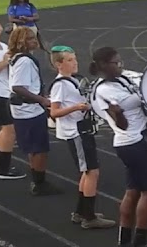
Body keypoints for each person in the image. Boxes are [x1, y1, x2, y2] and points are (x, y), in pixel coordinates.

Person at [90, 47, 147, 247]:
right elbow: (126, 115)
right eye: (116, 63)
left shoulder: (119, 81)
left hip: (134, 143)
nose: (121, 65)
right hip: (135, 143)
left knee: (133, 191)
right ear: (104, 66)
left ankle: (124, 246)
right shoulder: (105, 90)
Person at [48, 46, 115, 229]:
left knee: (88, 172)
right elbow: (54, 112)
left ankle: (81, 212)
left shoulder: (70, 81)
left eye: (74, 58)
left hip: (81, 131)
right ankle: (89, 216)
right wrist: (77, 107)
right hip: (76, 133)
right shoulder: (60, 84)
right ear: (59, 64)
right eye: (69, 60)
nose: (75, 62)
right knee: (91, 172)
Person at [7, 26, 57, 195]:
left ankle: (37, 179)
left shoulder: (17, 58)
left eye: (34, 38)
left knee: (33, 147)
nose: (34, 41)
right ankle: (39, 183)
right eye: (30, 39)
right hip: (30, 111)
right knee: (39, 148)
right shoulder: (25, 61)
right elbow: (18, 86)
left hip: (23, 109)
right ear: (21, 41)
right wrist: (41, 99)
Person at [0, 21, 25, 180]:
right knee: (9, 129)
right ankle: (3, 168)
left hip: (5, 92)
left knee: (5, 129)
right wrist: (5, 61)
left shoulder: (4, 46)